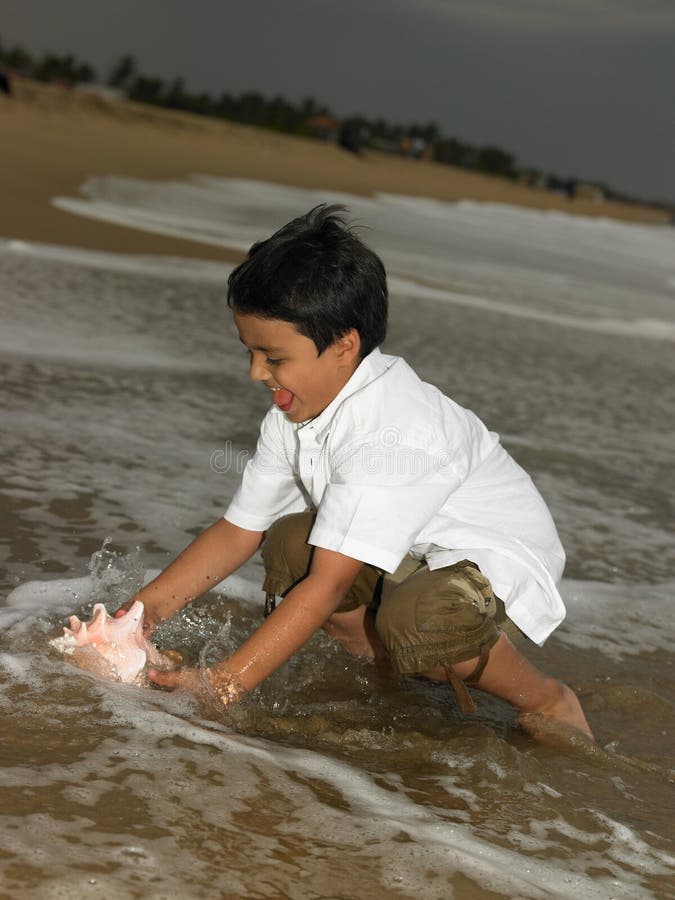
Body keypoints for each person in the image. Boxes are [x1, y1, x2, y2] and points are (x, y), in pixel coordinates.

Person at [119, 205, 593, 740]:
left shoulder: (390, 429)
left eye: (272, 356)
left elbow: (328, 586)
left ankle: (549, 700)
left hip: (491, 561)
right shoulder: (295, 411)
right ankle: (392, 675)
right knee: (290, 543)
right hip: (414, 552)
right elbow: (237, 532)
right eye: (249, 352)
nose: (255, 372)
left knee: (420, 616)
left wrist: (225, 685)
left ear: (344, 346)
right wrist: (135, 618)